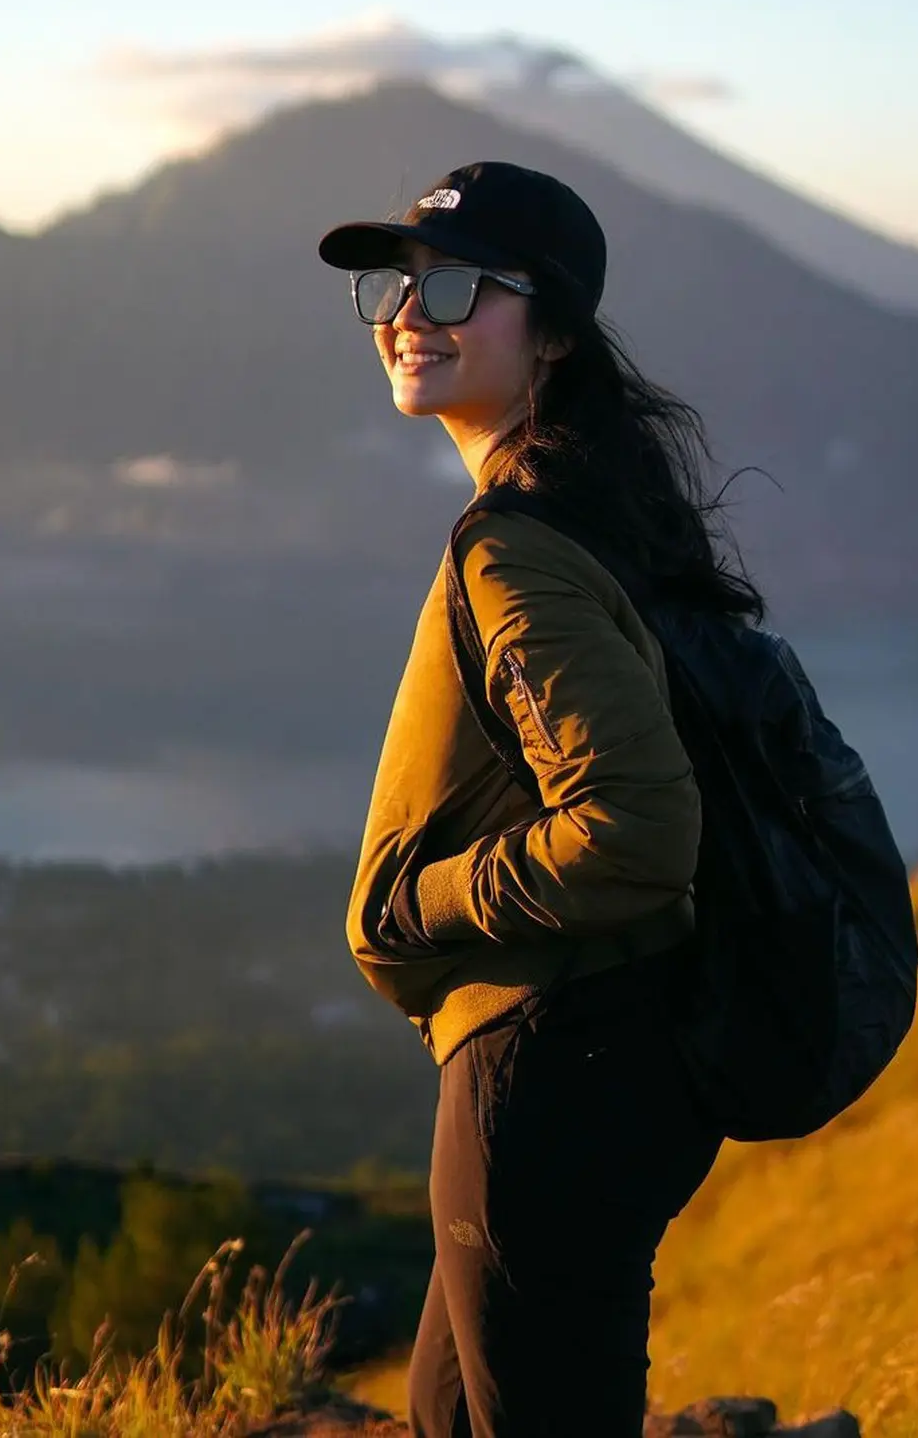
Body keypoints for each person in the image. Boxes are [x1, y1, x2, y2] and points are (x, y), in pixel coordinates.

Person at [317, 161, 767, 1438]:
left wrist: (419, 901)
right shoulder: (593, 509)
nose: (409, 309)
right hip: (603, 1043)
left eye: (457, 284)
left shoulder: (517, 549)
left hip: (552, 1059)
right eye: (396, 280)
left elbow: (635, 830)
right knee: (450, 1414)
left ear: (555, 333)